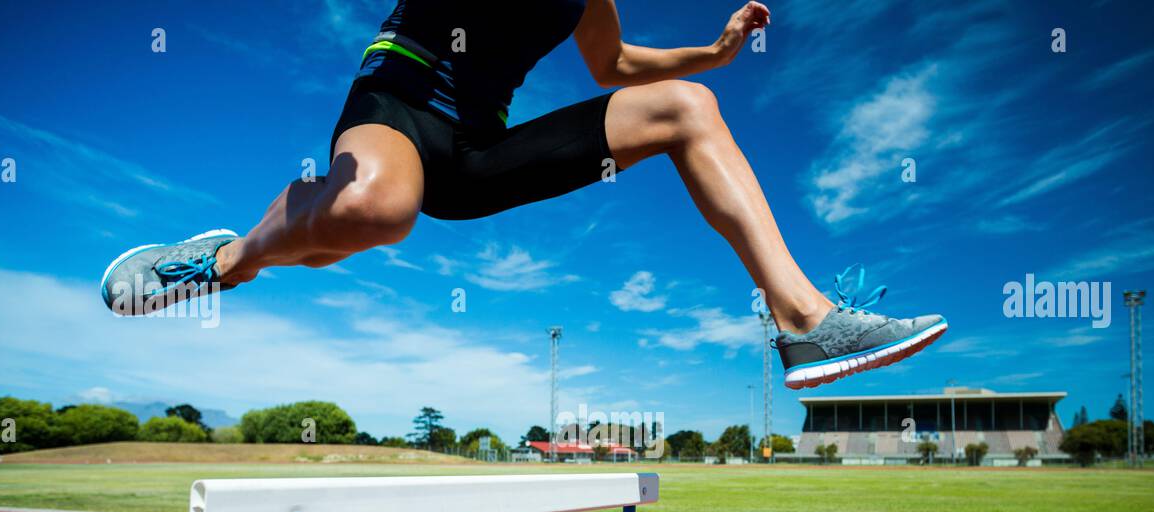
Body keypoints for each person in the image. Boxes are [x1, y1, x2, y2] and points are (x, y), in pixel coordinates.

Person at [99, 1, 947, 389]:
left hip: (476, 154)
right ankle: (221, 259)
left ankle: (803, 321)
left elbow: (614, 67)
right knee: (373, 210)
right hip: (397, 102)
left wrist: (714, 55)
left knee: (689, 108)